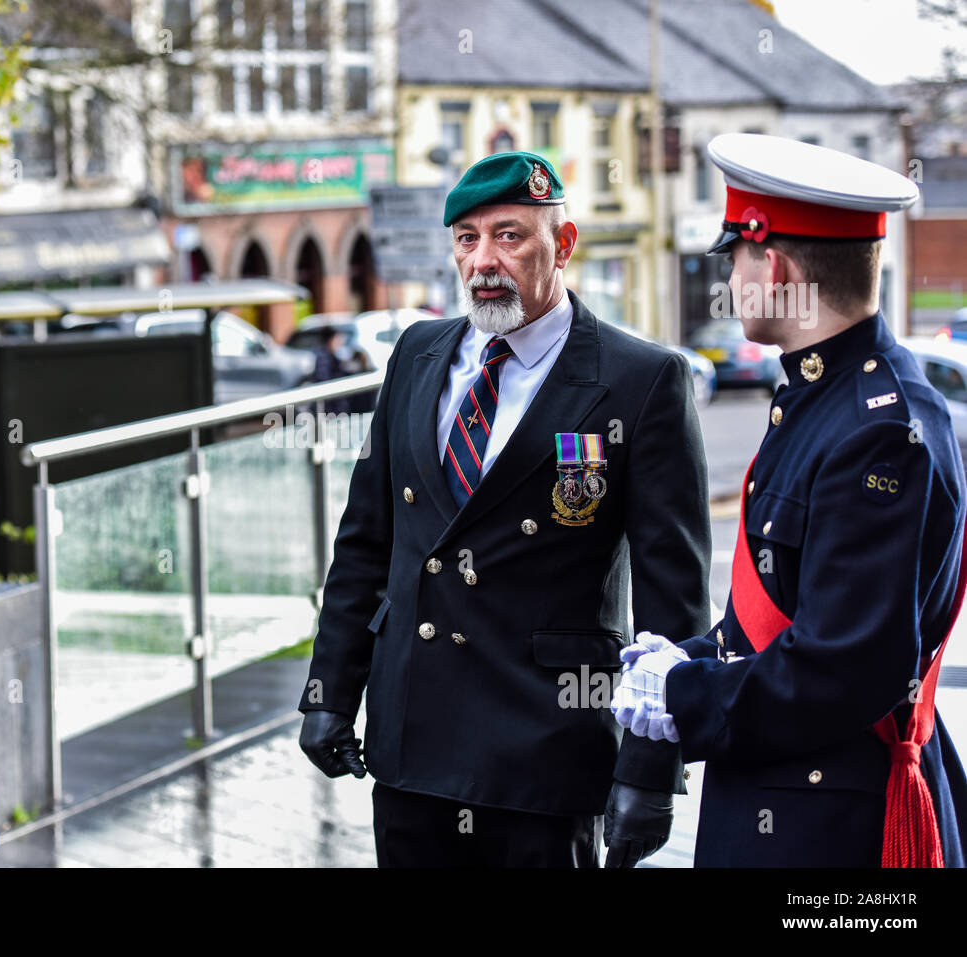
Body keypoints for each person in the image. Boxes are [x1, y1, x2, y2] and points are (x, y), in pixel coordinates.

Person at [297, 151, 712, 867]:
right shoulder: (417, 354)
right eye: (468, 238)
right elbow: (366, 538)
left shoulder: (639, 380)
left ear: (565, 244)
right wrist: (330, 688)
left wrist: (652, 766)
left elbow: (673, 603)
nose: (484, 260)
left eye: (510, 235)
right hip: (412, 740)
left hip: (544, 751)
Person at [612, 133, 967, 867]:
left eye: (734, 259)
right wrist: (691, 655)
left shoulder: (880, 429)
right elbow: (780, 618)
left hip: (832, 823)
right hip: (791, 799)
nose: (732, 278)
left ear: (771, 266)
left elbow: (841, 667)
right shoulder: (823, 398)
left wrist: (685, 696)